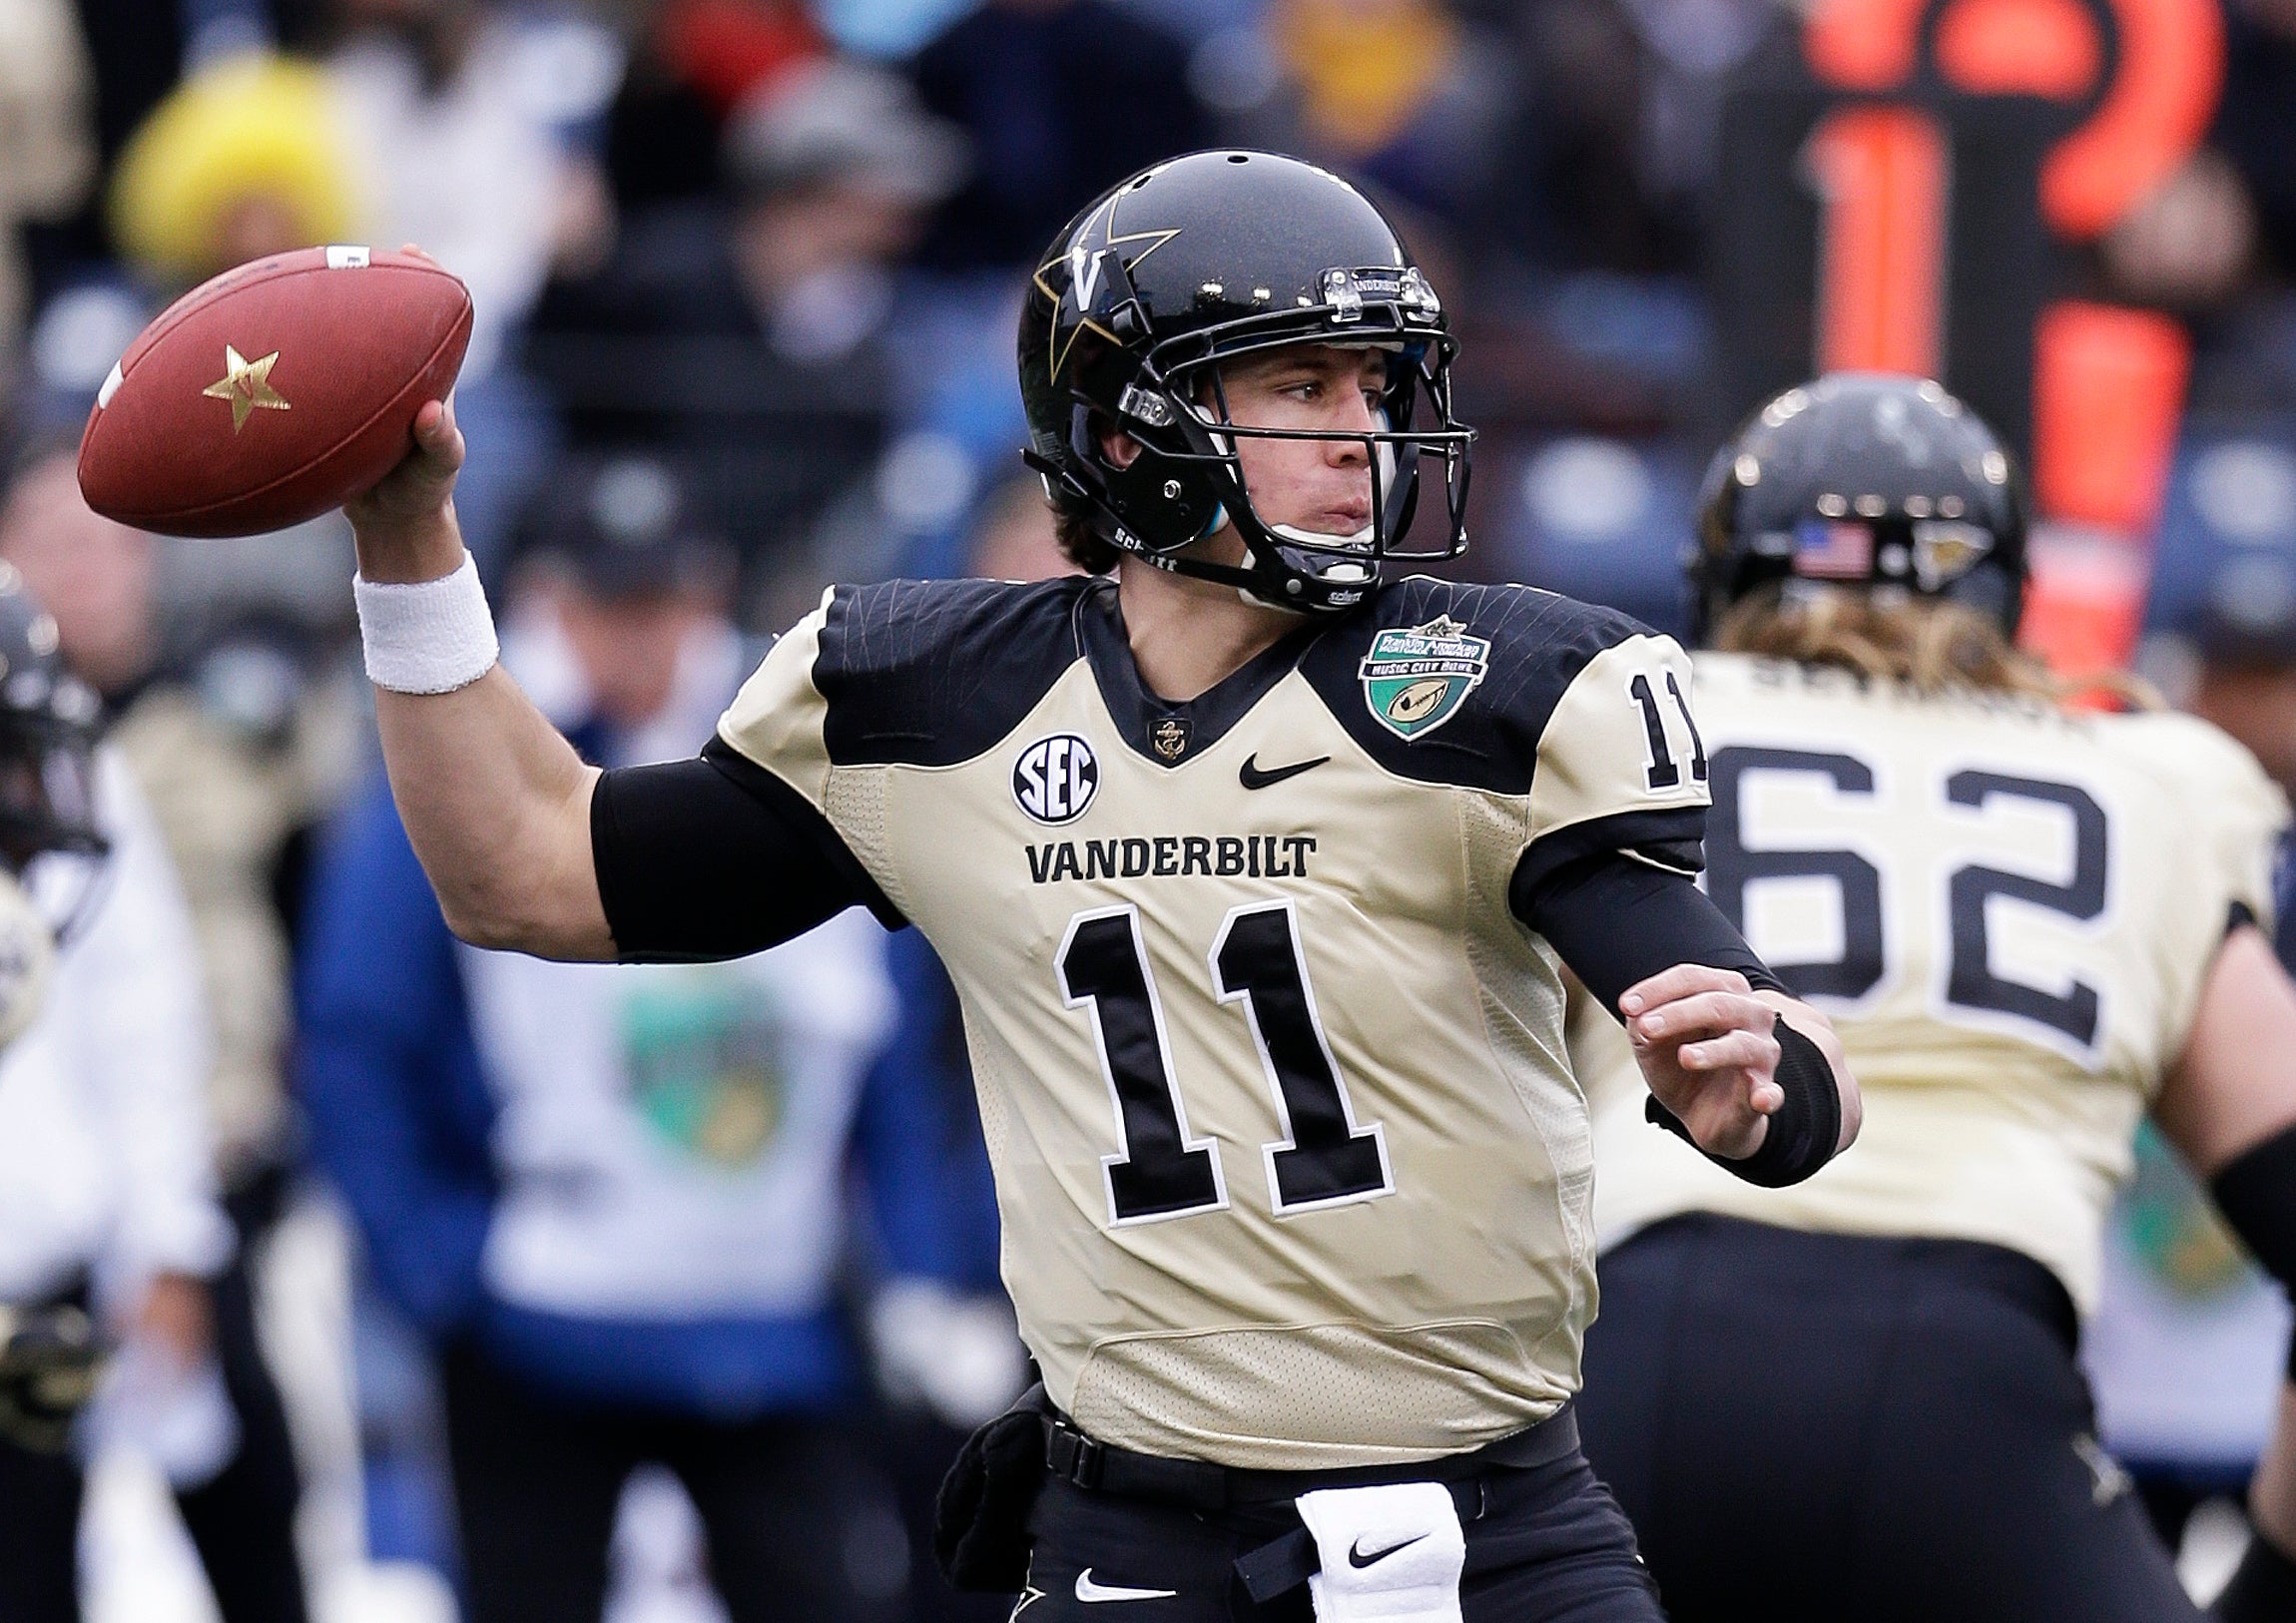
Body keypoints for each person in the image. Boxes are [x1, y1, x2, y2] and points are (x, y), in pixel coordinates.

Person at [335, 150, 1859, 1623]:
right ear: (1130, 430)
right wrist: (408, 538)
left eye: (1375, 388)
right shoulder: (934, 700)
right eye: (1301, 385)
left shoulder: (1490, 685)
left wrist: (1761, 1092)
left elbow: (1771, 1056)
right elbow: (525, 868)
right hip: (1138, 1538)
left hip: (1487, 1535)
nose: (1362, 436)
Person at [1569, 371, 2296, 1623]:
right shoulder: (2153, 774)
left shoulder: (1622, 715)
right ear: (2004, 592)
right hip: (1972, 1389)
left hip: (1639, 1353)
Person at [298, 451, 965, 1623]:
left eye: (662, 599)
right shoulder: (480, 762)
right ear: (557, 601)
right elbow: (357, 1036)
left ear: (706, 595)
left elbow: (894, 1041)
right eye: (612, 603)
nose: (640, 634)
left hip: (771, 1319)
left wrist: (916, 1267)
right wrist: (445, 1272)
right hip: (541, 1316)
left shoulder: (804, 743)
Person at [0, 565, 258, 1623]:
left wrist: (163, 1239)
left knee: (36, 1570)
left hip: (36, 1287)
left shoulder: (73, 788)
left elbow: (147, 1017)